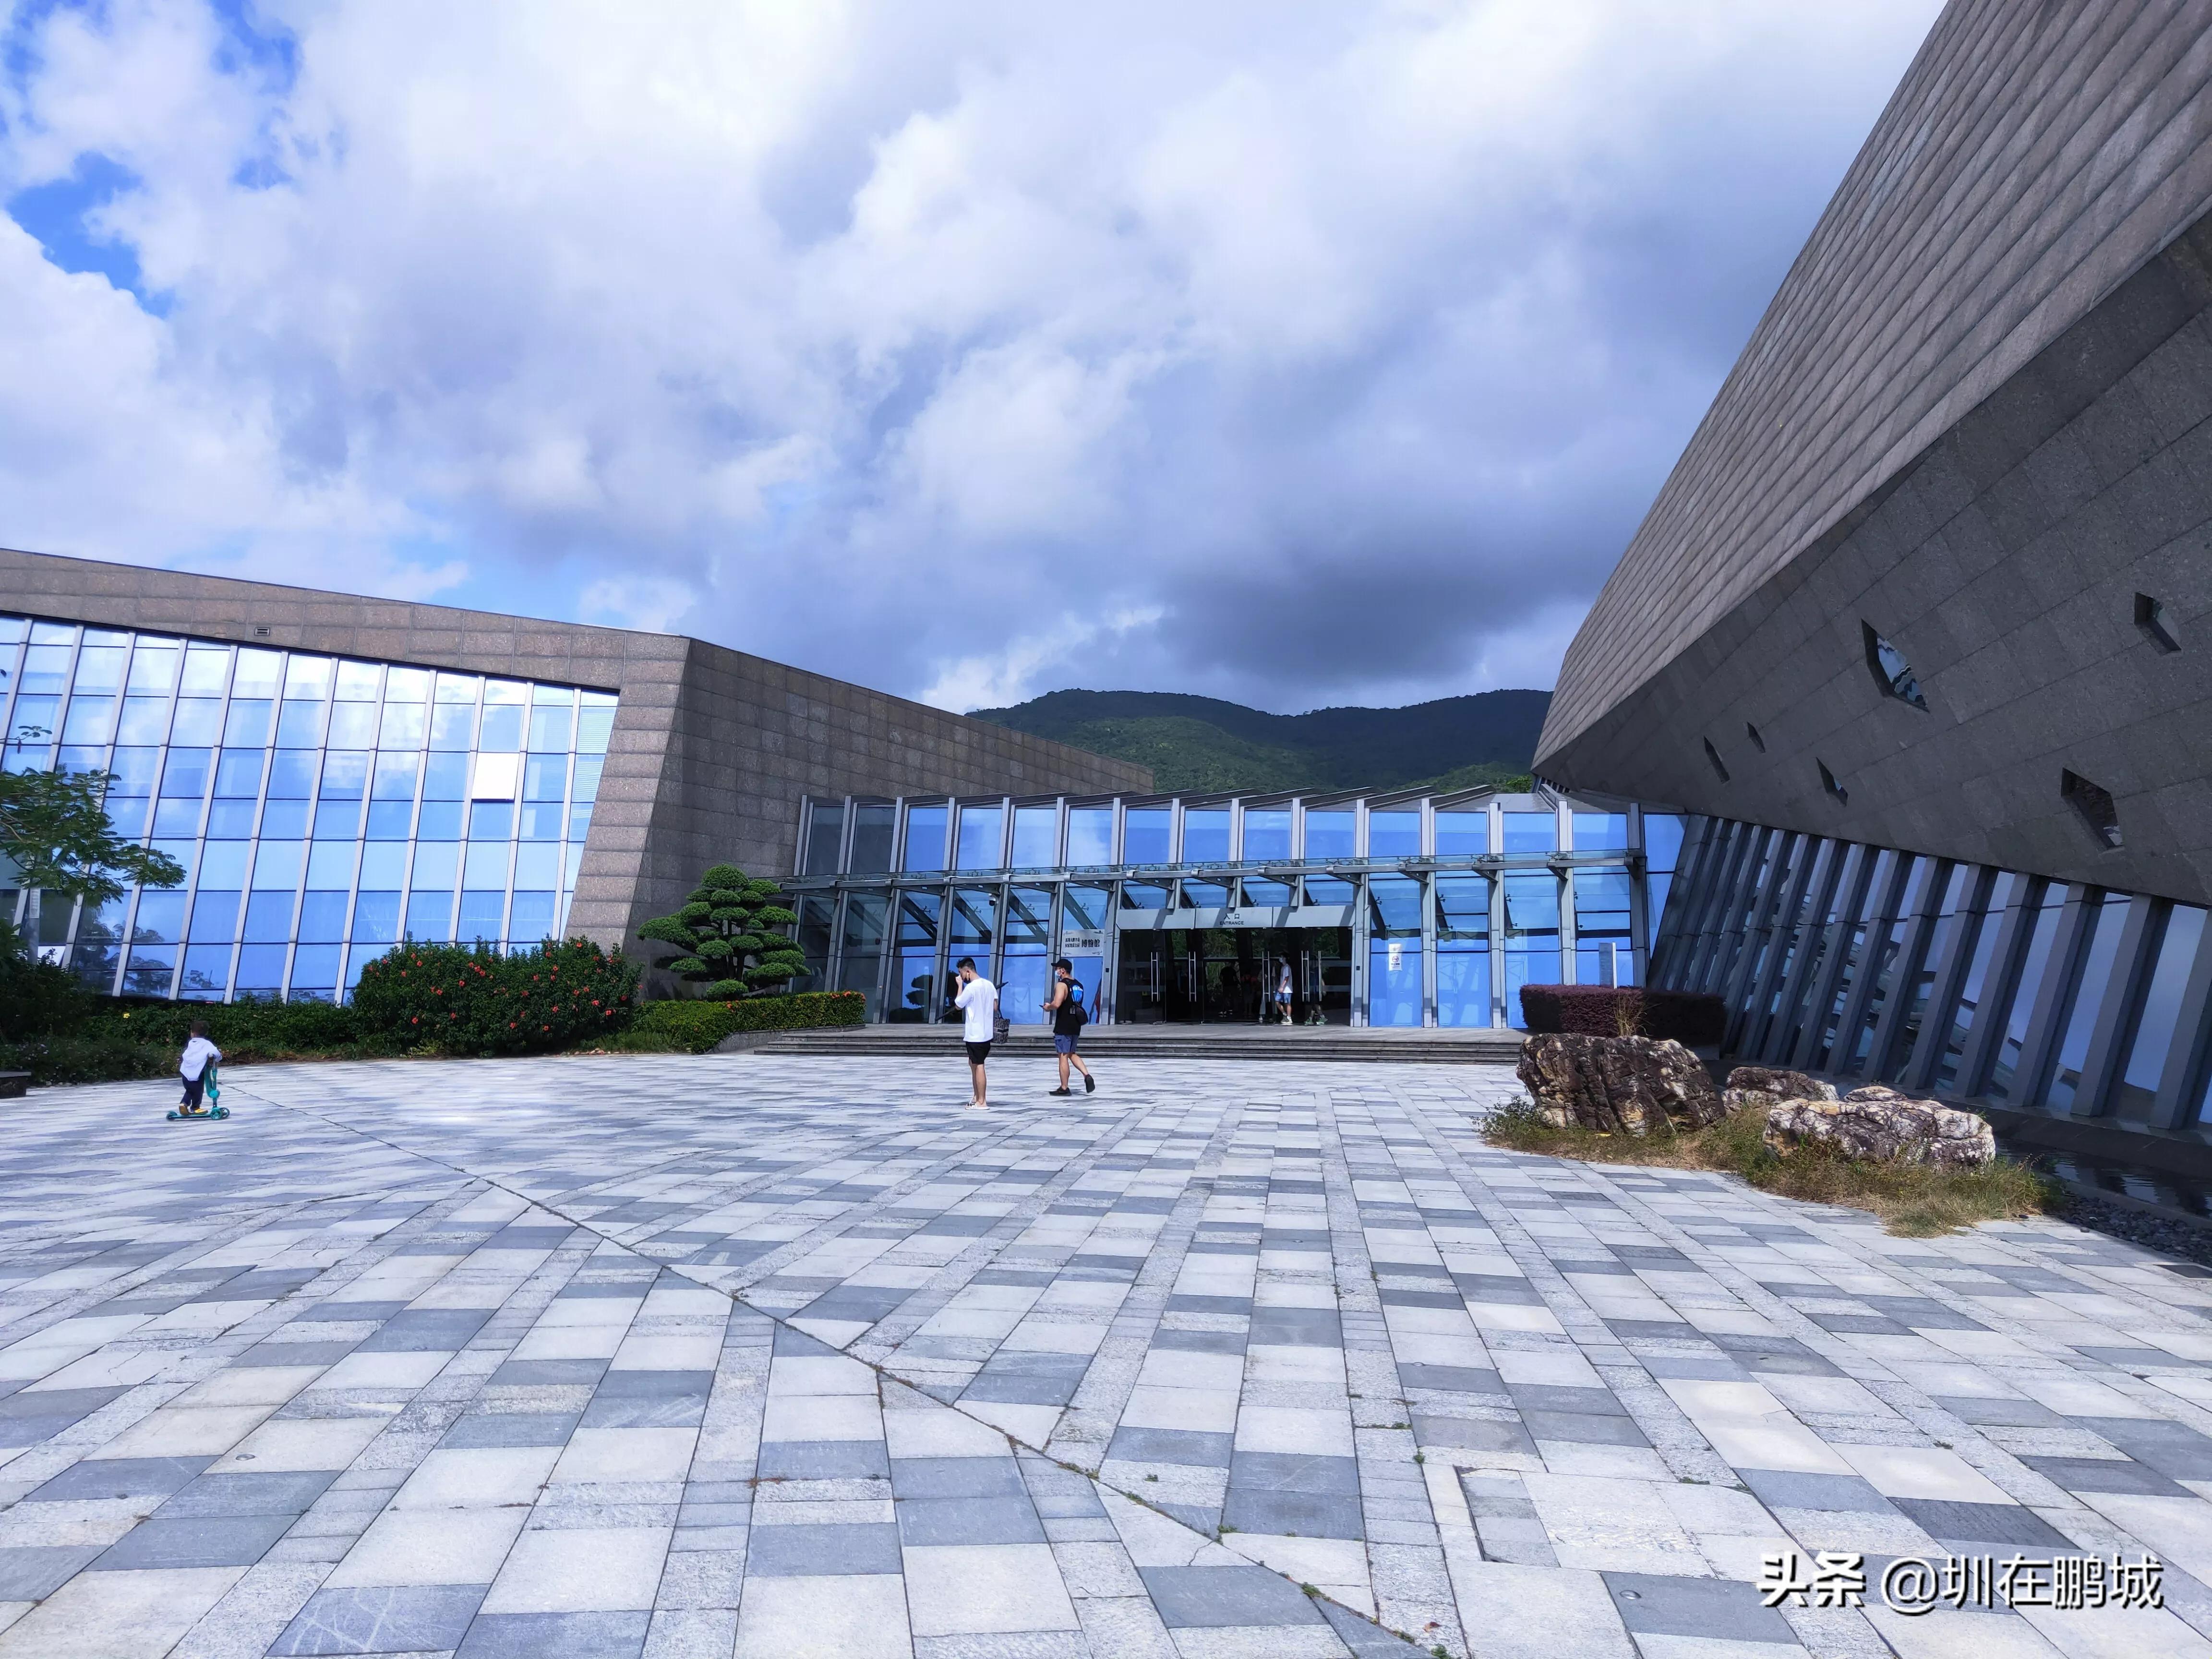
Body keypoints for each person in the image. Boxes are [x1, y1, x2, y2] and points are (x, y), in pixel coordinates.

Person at [1045, 957, 1096, 1097]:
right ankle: (1087, 1075)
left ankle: (1064, 1087)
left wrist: (1048, 1007)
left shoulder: (1062, 985)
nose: (1056, 971)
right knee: (1072, 1053)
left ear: (1062, 970)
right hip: (1076, 1023)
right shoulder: (1079, 985)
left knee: (1063, 1056)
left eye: (1057, 969)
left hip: (1064, 1023)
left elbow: (1057, 1004)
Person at [952, 956, 997, 1109]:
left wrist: (960, 986)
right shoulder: (989, 985)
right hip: (986, 1033)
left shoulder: (971, 988)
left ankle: (981, 1102)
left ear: (968, 971)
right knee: (973, 1063)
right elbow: (995, 1007)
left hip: (975, 1034)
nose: (961, 977)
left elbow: (958, 1005)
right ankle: (977, 1096)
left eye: (961, 973)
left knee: (979, 1065)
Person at [178, 1020, 221, 1116]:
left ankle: (183, 1104)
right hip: (197, 1074)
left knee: (190, 1090)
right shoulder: (206, 1044)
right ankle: (195, 1108)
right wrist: (216, 1058)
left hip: (185, 1073)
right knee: (198, 1091)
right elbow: (217, 1054)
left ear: (192, 1033)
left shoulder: (191, 1043)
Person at [1274, 958, 1294, 1025]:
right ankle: (1285, 1014)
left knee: (1287, 1003)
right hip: (1282, 988)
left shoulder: (1287, 967)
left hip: (1287, 989)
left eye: (1282, 957)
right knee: (1277, 1001)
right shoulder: (1283, 967)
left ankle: (1289, 1018)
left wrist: (1282, 986)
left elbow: (1287, 977)